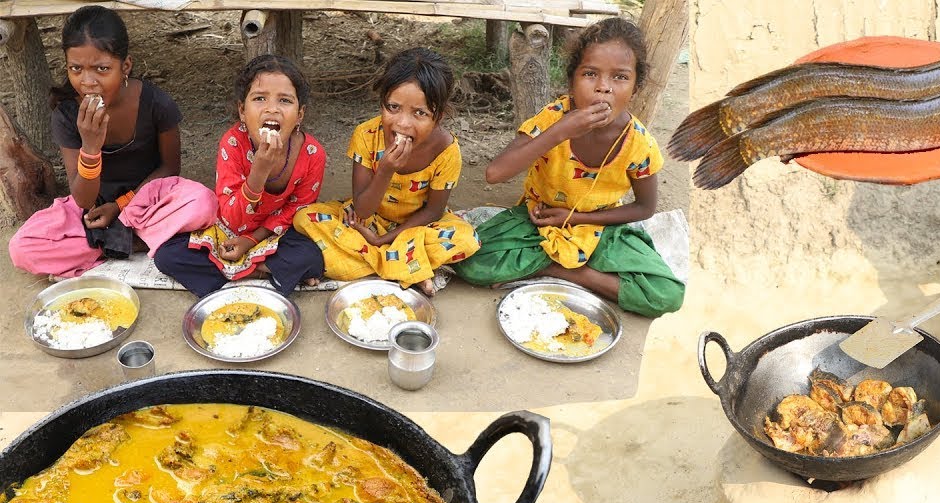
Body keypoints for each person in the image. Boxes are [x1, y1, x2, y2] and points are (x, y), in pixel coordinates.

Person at [453, 17, 685, 317]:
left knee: (666, 295)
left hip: (600, 226)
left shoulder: (639, 144)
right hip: (539, 220)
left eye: (620, 77)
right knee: (469, 259)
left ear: (636, 88)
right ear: (571, 81)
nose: (603, 88)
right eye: (590, 74)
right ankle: (558, 264)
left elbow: (644, 208)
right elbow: (495, 173)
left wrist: (578, 218)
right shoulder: (554, 118)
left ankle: (564, 271)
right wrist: (561, 131)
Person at [8, 5, 216, 277]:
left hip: (148, 200)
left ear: (125, 66)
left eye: (102, 69)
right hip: (93, 209)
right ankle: (136, 242)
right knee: (22, 248)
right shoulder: (67, 114)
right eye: (76, 68)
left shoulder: (155, 104)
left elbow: (169, 169)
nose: (87, 81)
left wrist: (120, 207)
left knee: (203, 203)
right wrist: (91, 149)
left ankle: (116, 244)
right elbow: (82, 198)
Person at [292, 48, 476, 294]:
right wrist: (386, 170)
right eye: (393, 107)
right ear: (382, 103)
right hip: (365, 221)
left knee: (465, 238)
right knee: (304, 218)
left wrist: (382, 240)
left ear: (438, 116)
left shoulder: (447, 151)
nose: (402, 123)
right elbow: (363, 209)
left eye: (420, 113)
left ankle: (377, 262)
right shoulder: (367, 136)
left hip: (415, 228)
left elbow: (433, 211)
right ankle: (408, 267)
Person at [153, 55, 325, 296]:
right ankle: (263, 271)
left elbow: (296, 210)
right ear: (242, 111)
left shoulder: (312, 154)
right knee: (167, 257)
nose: (272, 108)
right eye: (259, 98)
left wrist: (252, 241)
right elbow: (233, 219)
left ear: (300, 115)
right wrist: (259, 172)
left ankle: (239, 271)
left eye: (285, 100)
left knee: (312, 258)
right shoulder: (233, 143)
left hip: (274, 234)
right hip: (227, 229)